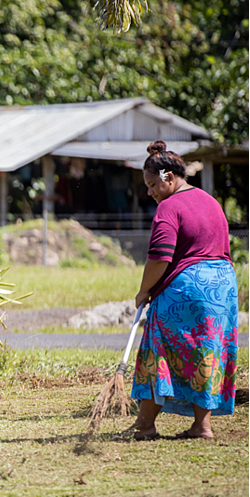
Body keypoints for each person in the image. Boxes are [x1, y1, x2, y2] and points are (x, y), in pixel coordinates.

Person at [130, 140, 238, 441]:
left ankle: (145, 424)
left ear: (168, 177)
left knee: (156, 346)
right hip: (224, 285)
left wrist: (144, 291)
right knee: (207, 350)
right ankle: (202, 426)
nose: (149, 192)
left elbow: (160, 257)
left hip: (188, 285)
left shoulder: (169, 206)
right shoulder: (209, 200)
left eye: (152, 184)